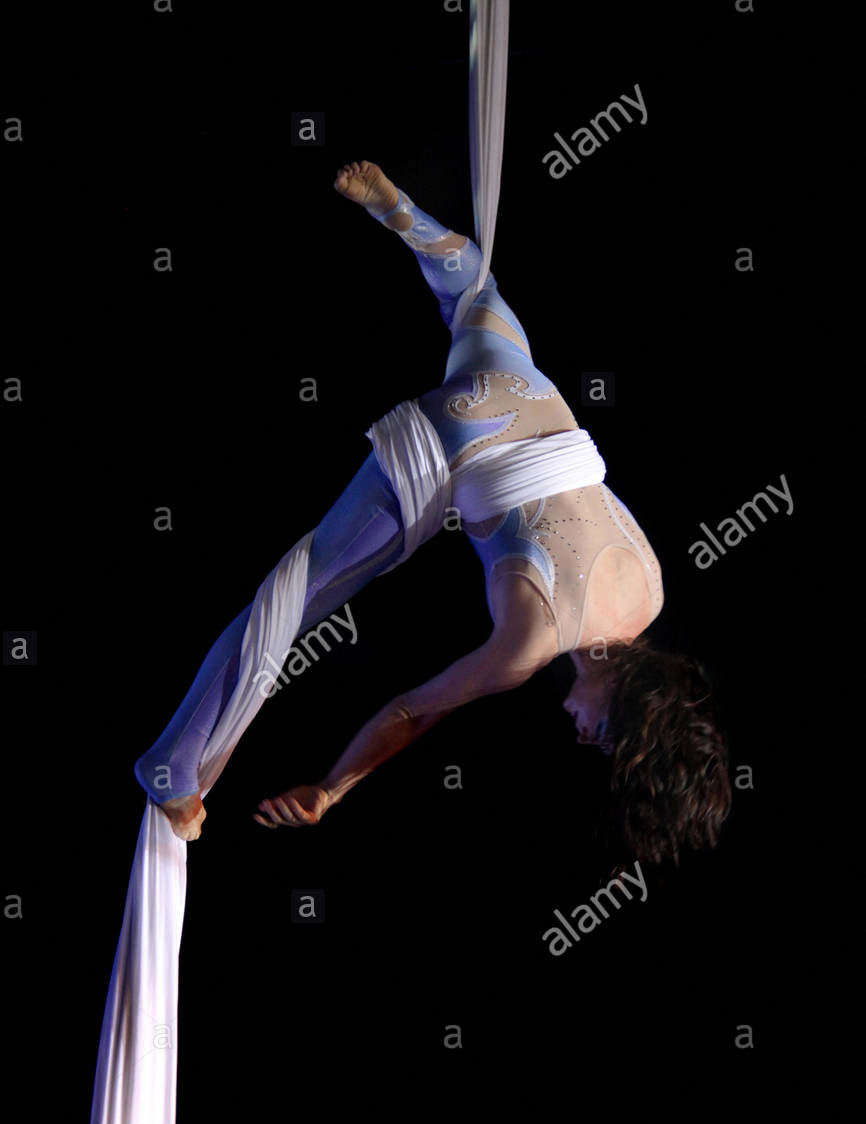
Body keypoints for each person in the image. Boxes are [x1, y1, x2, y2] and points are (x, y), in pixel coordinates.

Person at [134, 161, 731, 867]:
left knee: (473, 288)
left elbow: (572, 488)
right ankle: (171, 768)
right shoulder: (529, 644)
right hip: (460, 437)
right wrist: (331, 790)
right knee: (298, 596)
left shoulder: (651, 585)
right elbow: (411, 710)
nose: (580, 736)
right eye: (602, 737)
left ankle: (398, 210)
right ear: (629, 713)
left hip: (530, 397)